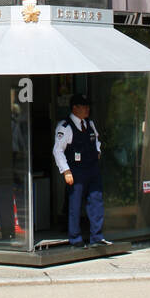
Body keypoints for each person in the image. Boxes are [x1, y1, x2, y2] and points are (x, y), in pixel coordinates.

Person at [52, 94, 111, 247]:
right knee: (75, 204)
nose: (87, 109)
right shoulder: (65, 127)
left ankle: (97, 237)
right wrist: (66, 171)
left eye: (88, 106)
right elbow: (58, 150)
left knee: (96, 201)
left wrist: (98, 152)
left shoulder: (89, 124)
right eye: (84, 106)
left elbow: (96, 140)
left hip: (92, 169)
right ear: (75, 108)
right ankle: (75, 238)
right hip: (76, 170)